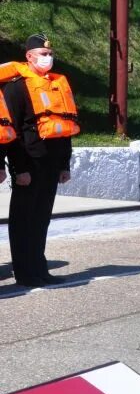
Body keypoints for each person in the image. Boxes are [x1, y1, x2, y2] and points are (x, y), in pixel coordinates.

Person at [2, 33, 79, 287]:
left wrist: (64, 164)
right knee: (23, 220)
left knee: (41, 218)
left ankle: (39, 268)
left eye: (50, 54)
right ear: (29, 56)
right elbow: (9, 132)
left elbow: (64, 127)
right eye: (43, 54)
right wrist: (18, 168)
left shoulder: (57, 85)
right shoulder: (16, 87)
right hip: (29, 163)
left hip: (50, 163)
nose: (48, 58)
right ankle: (24, 273)